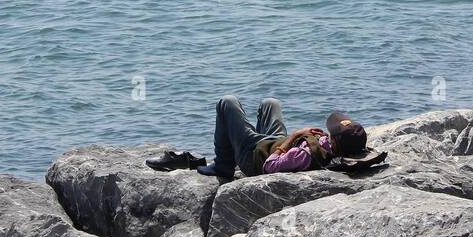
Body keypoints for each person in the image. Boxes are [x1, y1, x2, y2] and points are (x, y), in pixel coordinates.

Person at [155, 96, 367, 179]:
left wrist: (294, 136)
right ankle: (239, 146)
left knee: (227, 103)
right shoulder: (331, 148)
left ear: (336, 142)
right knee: (270, 103)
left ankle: (223, 165)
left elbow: (270, 165)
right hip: (271, 142)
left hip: (254, 156)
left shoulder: (303, 155)